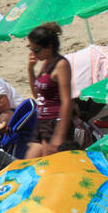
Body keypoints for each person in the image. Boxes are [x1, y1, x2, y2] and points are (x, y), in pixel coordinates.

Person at [25, 22, 72, 157]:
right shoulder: (46, 63)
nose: (33, 53)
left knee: (47, 168)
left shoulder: (61, 64)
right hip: (41, 122)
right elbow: (37, 94)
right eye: (30, 48)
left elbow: (66, 101)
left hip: (54, 122)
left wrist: (59, 135)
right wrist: (30, 69)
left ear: (49, 47)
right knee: (28, 167)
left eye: (36, 50)